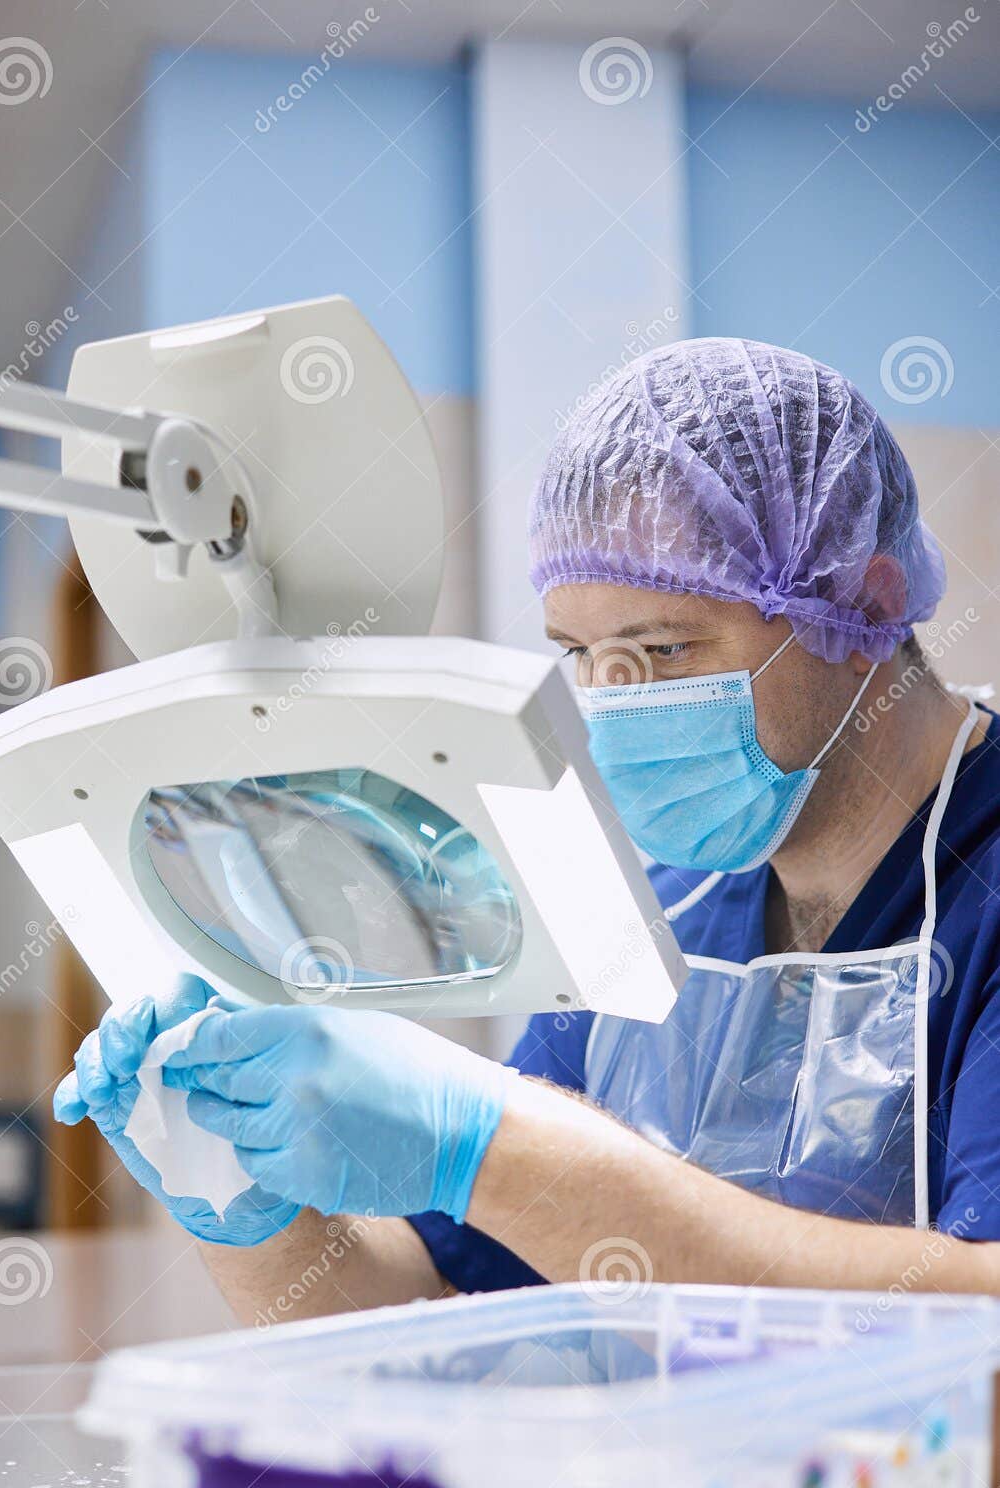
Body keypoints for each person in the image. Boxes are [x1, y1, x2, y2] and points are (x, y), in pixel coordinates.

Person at [55, 337, 1000, 1324]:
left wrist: (492, 1145)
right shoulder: (662, 906)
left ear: (864, 605)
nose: (612, 699)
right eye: (579, 654)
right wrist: (247, 1202)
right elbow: (430, 1291)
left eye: (662, 648)